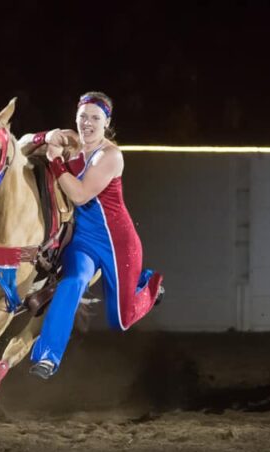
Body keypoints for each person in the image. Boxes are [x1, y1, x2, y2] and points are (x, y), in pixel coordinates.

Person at [27, 91, 164, 379]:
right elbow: (20, 144)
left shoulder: (110, 155)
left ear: (107, 122)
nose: (87, 123)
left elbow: (79, 195)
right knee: (73, 281)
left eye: (95, 118)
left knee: (122, 320)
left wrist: (55, 160)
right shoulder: (70, 141)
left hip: (118, 242)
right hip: (83, 240)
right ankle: (48, 357)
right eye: (83, 117)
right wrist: (45, 136)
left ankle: (150, 283)